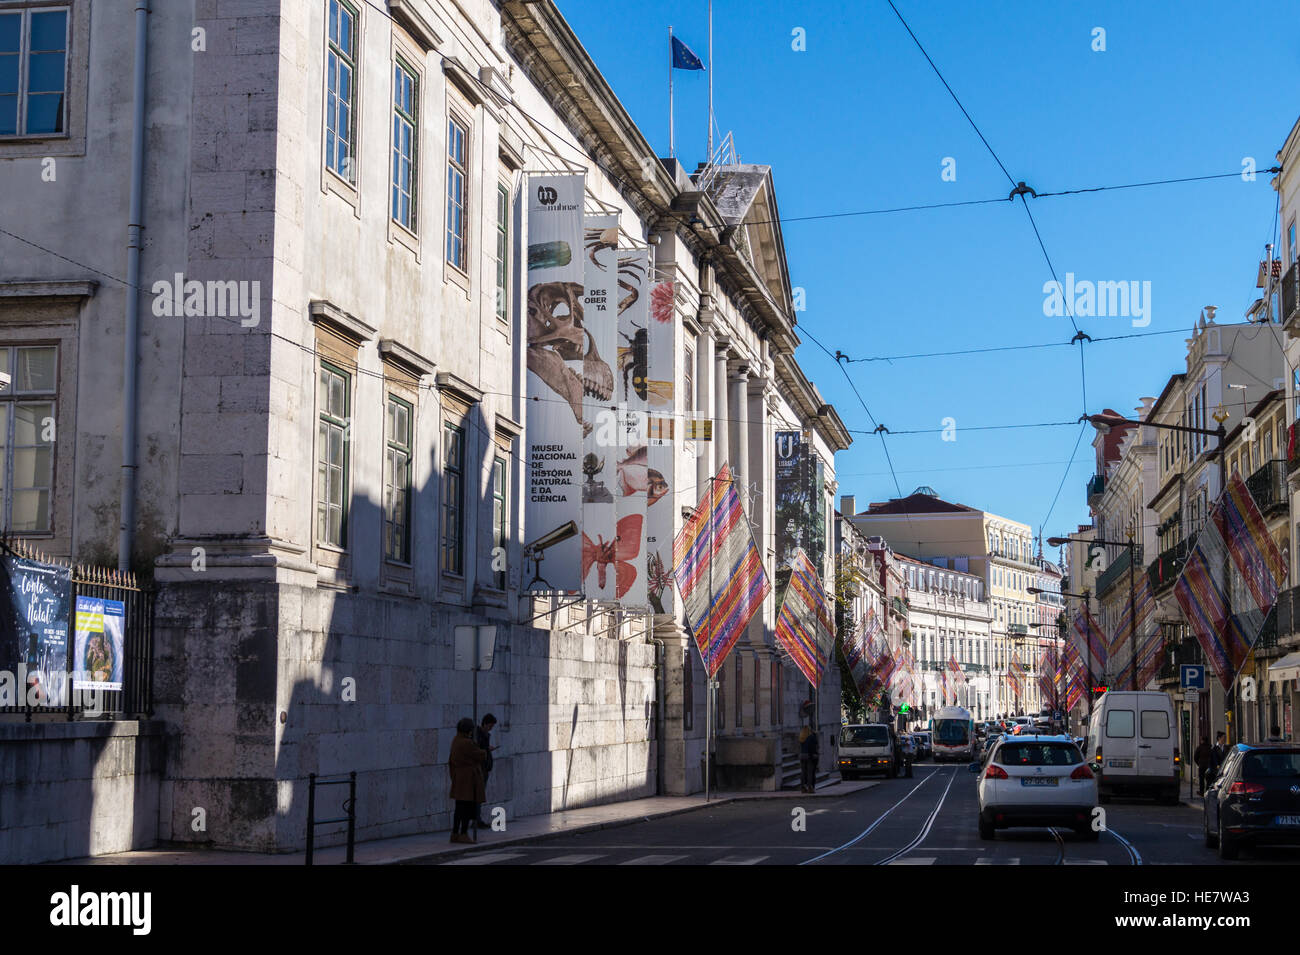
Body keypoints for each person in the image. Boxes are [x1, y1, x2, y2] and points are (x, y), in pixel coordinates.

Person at [448, 717, 486, 844]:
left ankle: (455, 833)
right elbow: (479, 754)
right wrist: (485, 751)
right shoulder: (466, 742)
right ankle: (463, 833)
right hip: (468, 779)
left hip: (459, 778)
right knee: (467, 808)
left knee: (459, 808)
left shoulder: (456, 740)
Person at [474, 714, 499, 827]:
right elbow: (476, 750)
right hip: (480, 769)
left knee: (479, 796)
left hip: (484, 768)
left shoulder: (484, 735)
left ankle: (477, 819)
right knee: (477, 796)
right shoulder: (478, 735)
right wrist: (487, 749)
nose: (491, 729)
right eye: (490, 726)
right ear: (484, 724)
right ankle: (476, 820)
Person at [799, 724, 819, 793]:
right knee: (810, 772)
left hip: (802, 756)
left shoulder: (801, 737)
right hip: (809, 756)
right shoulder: (811, 737)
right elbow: (812, 747)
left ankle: (803, 787)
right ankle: (810, 787)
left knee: (803, 772)